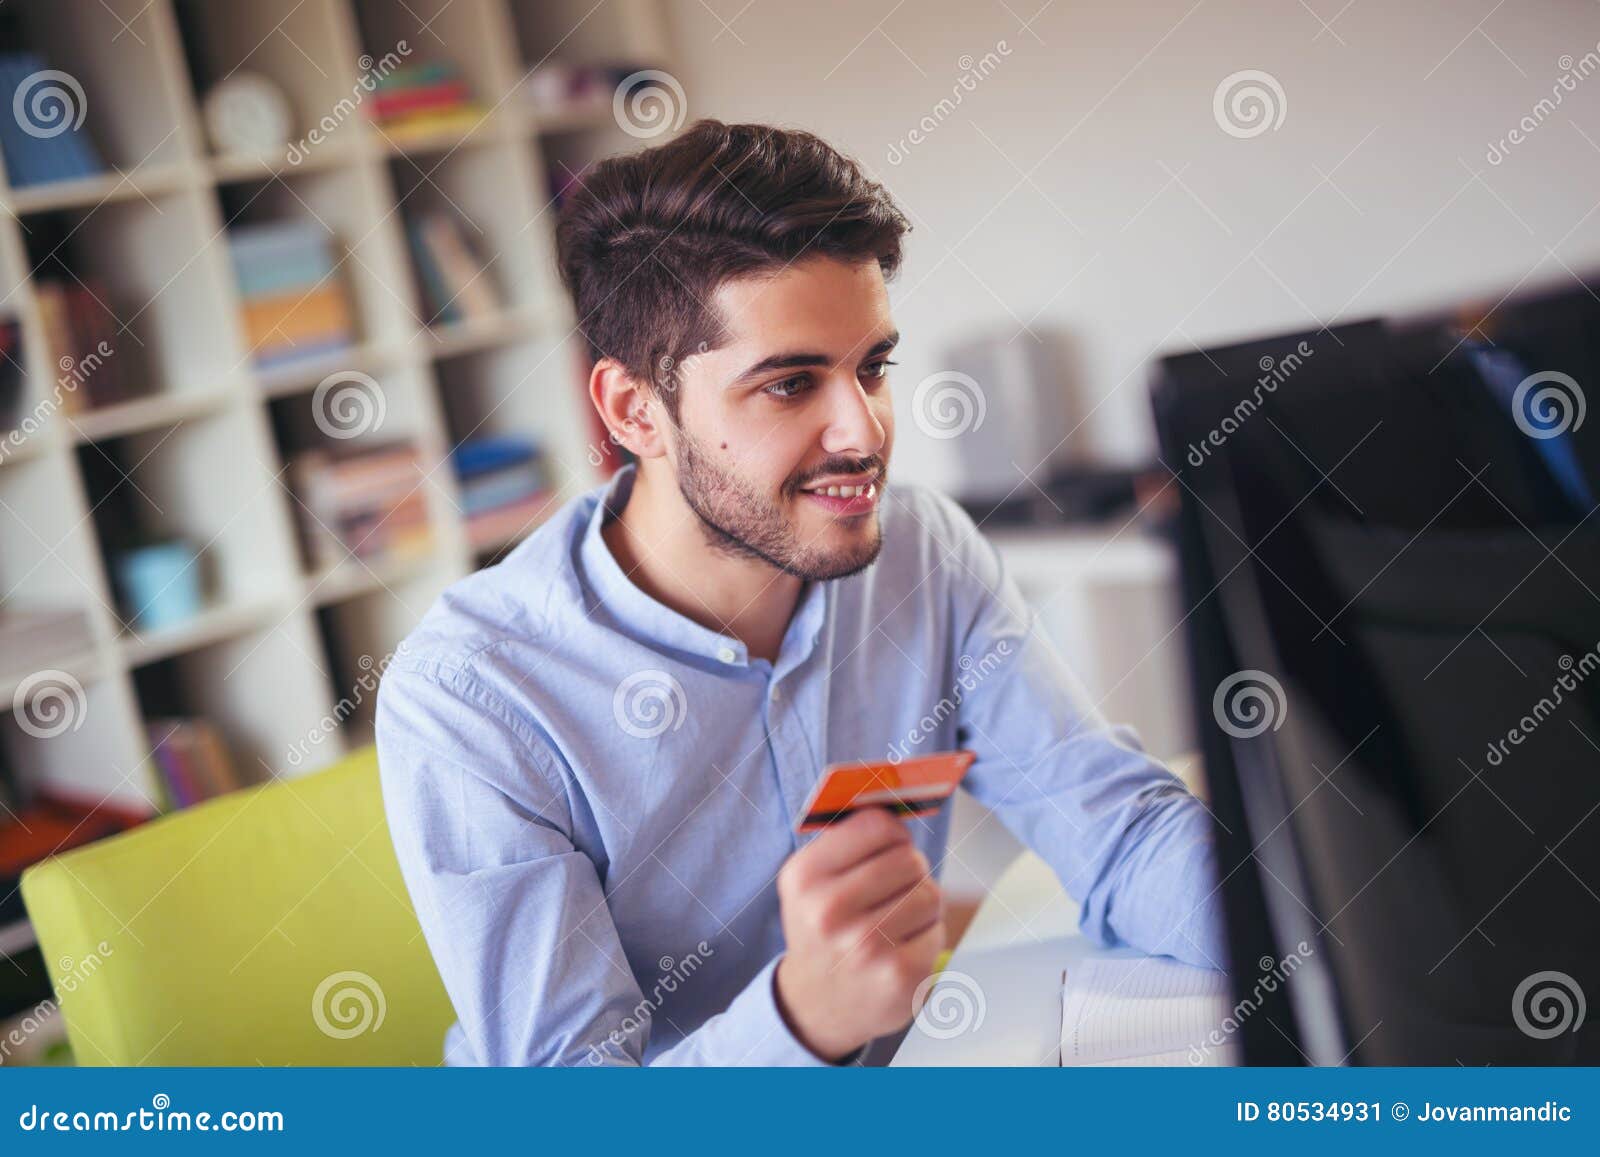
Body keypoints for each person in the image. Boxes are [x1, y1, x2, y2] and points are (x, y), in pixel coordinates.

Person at [375, 120, 1224, 1067]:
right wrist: (802, 1018)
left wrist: (1333, 924)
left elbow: (1119, 831)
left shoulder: (925, 554)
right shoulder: (475, 694)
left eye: (873, 368)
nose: (864, 433)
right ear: (634, 411)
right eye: (790, 384)